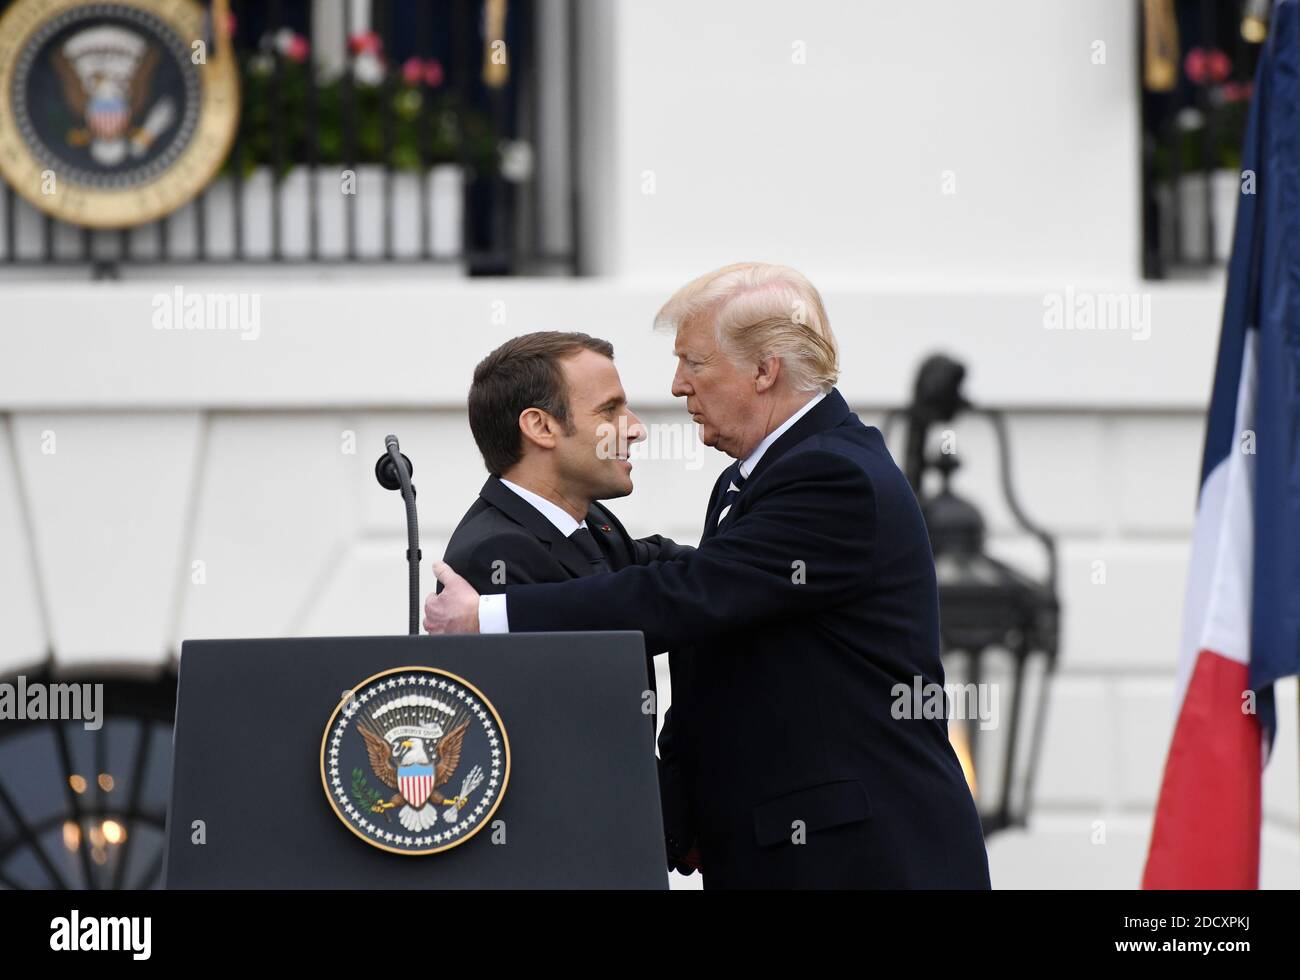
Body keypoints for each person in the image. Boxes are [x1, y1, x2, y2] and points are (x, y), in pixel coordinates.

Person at [425, 264, 991, 889]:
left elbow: (693, 595)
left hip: (860, 861)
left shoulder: (835, 476)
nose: (675, 387)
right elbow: (704, 602)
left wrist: (491, 616)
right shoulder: (756, 477)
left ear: (764, 370)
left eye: (694, 362)